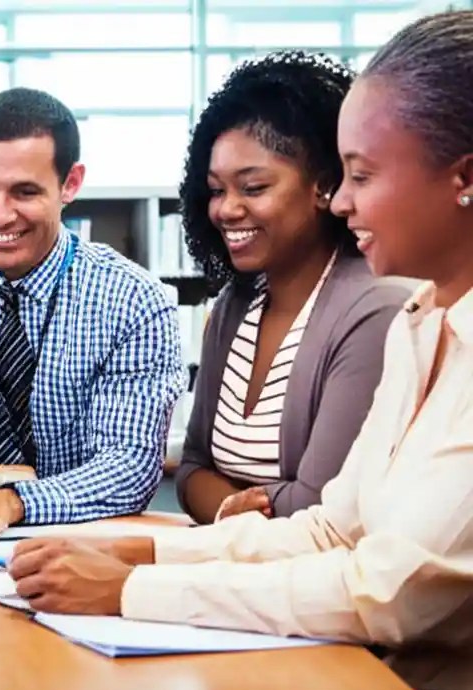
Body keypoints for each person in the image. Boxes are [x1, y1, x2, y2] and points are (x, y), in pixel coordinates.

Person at [4, 10, 473, 690]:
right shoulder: (421, 324)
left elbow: (386, 591)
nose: (341, 201)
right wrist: (142, 555)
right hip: (369, 679)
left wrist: (131, 589)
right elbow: (329, 528)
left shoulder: (380, 311)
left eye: (361, 175)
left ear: (465, 177)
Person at [0, 87, 187, 543]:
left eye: (24, 191)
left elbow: (128, 466)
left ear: (71, 184)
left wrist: (13, 503)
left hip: (79, 547)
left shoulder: (136, 301)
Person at [174, 51, 411, 524]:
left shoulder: (373, 309)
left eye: (253, 187)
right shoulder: (233, 304)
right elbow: (191, 468)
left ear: (323, 186)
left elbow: (321, 507)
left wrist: (231, 510)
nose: (226, 209)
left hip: (312, 586)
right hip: (233, 574)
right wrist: (233, 509)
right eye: (217, 190)